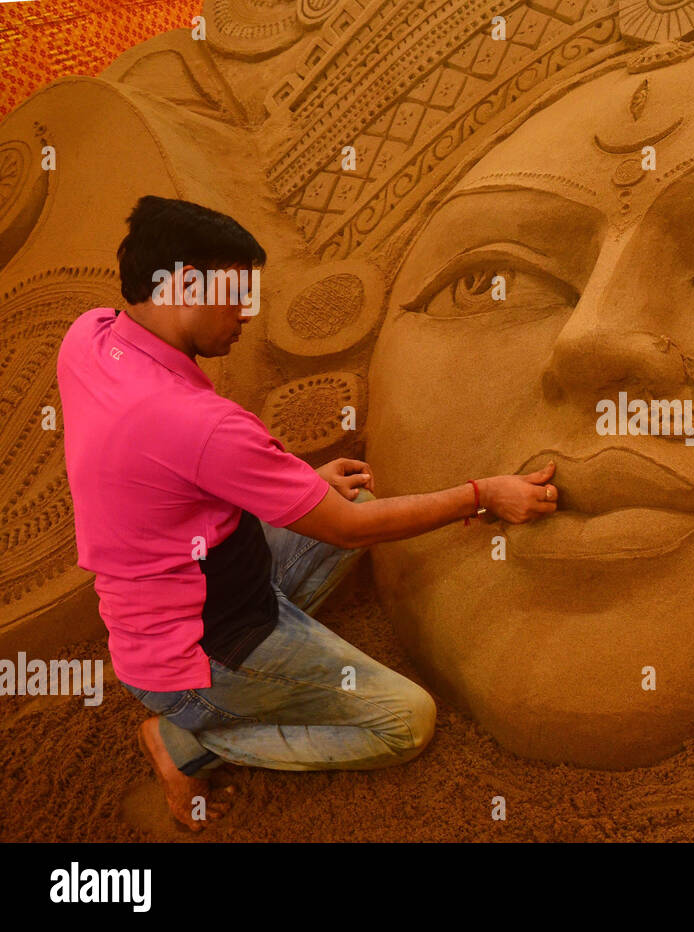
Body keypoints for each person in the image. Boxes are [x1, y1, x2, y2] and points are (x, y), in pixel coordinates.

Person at [55, 195, 558, 832]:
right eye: (237, 295)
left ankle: (229, 674)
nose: (246, 315)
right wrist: (482, 494)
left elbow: (164, 471)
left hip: (173, 588)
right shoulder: (199, 424)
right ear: (183, 284)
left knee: (352, 499)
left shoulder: (89, 336)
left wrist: (297, 486)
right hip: (194, 655)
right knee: (407, 720)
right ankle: (185, 741)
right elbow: (341, 528)